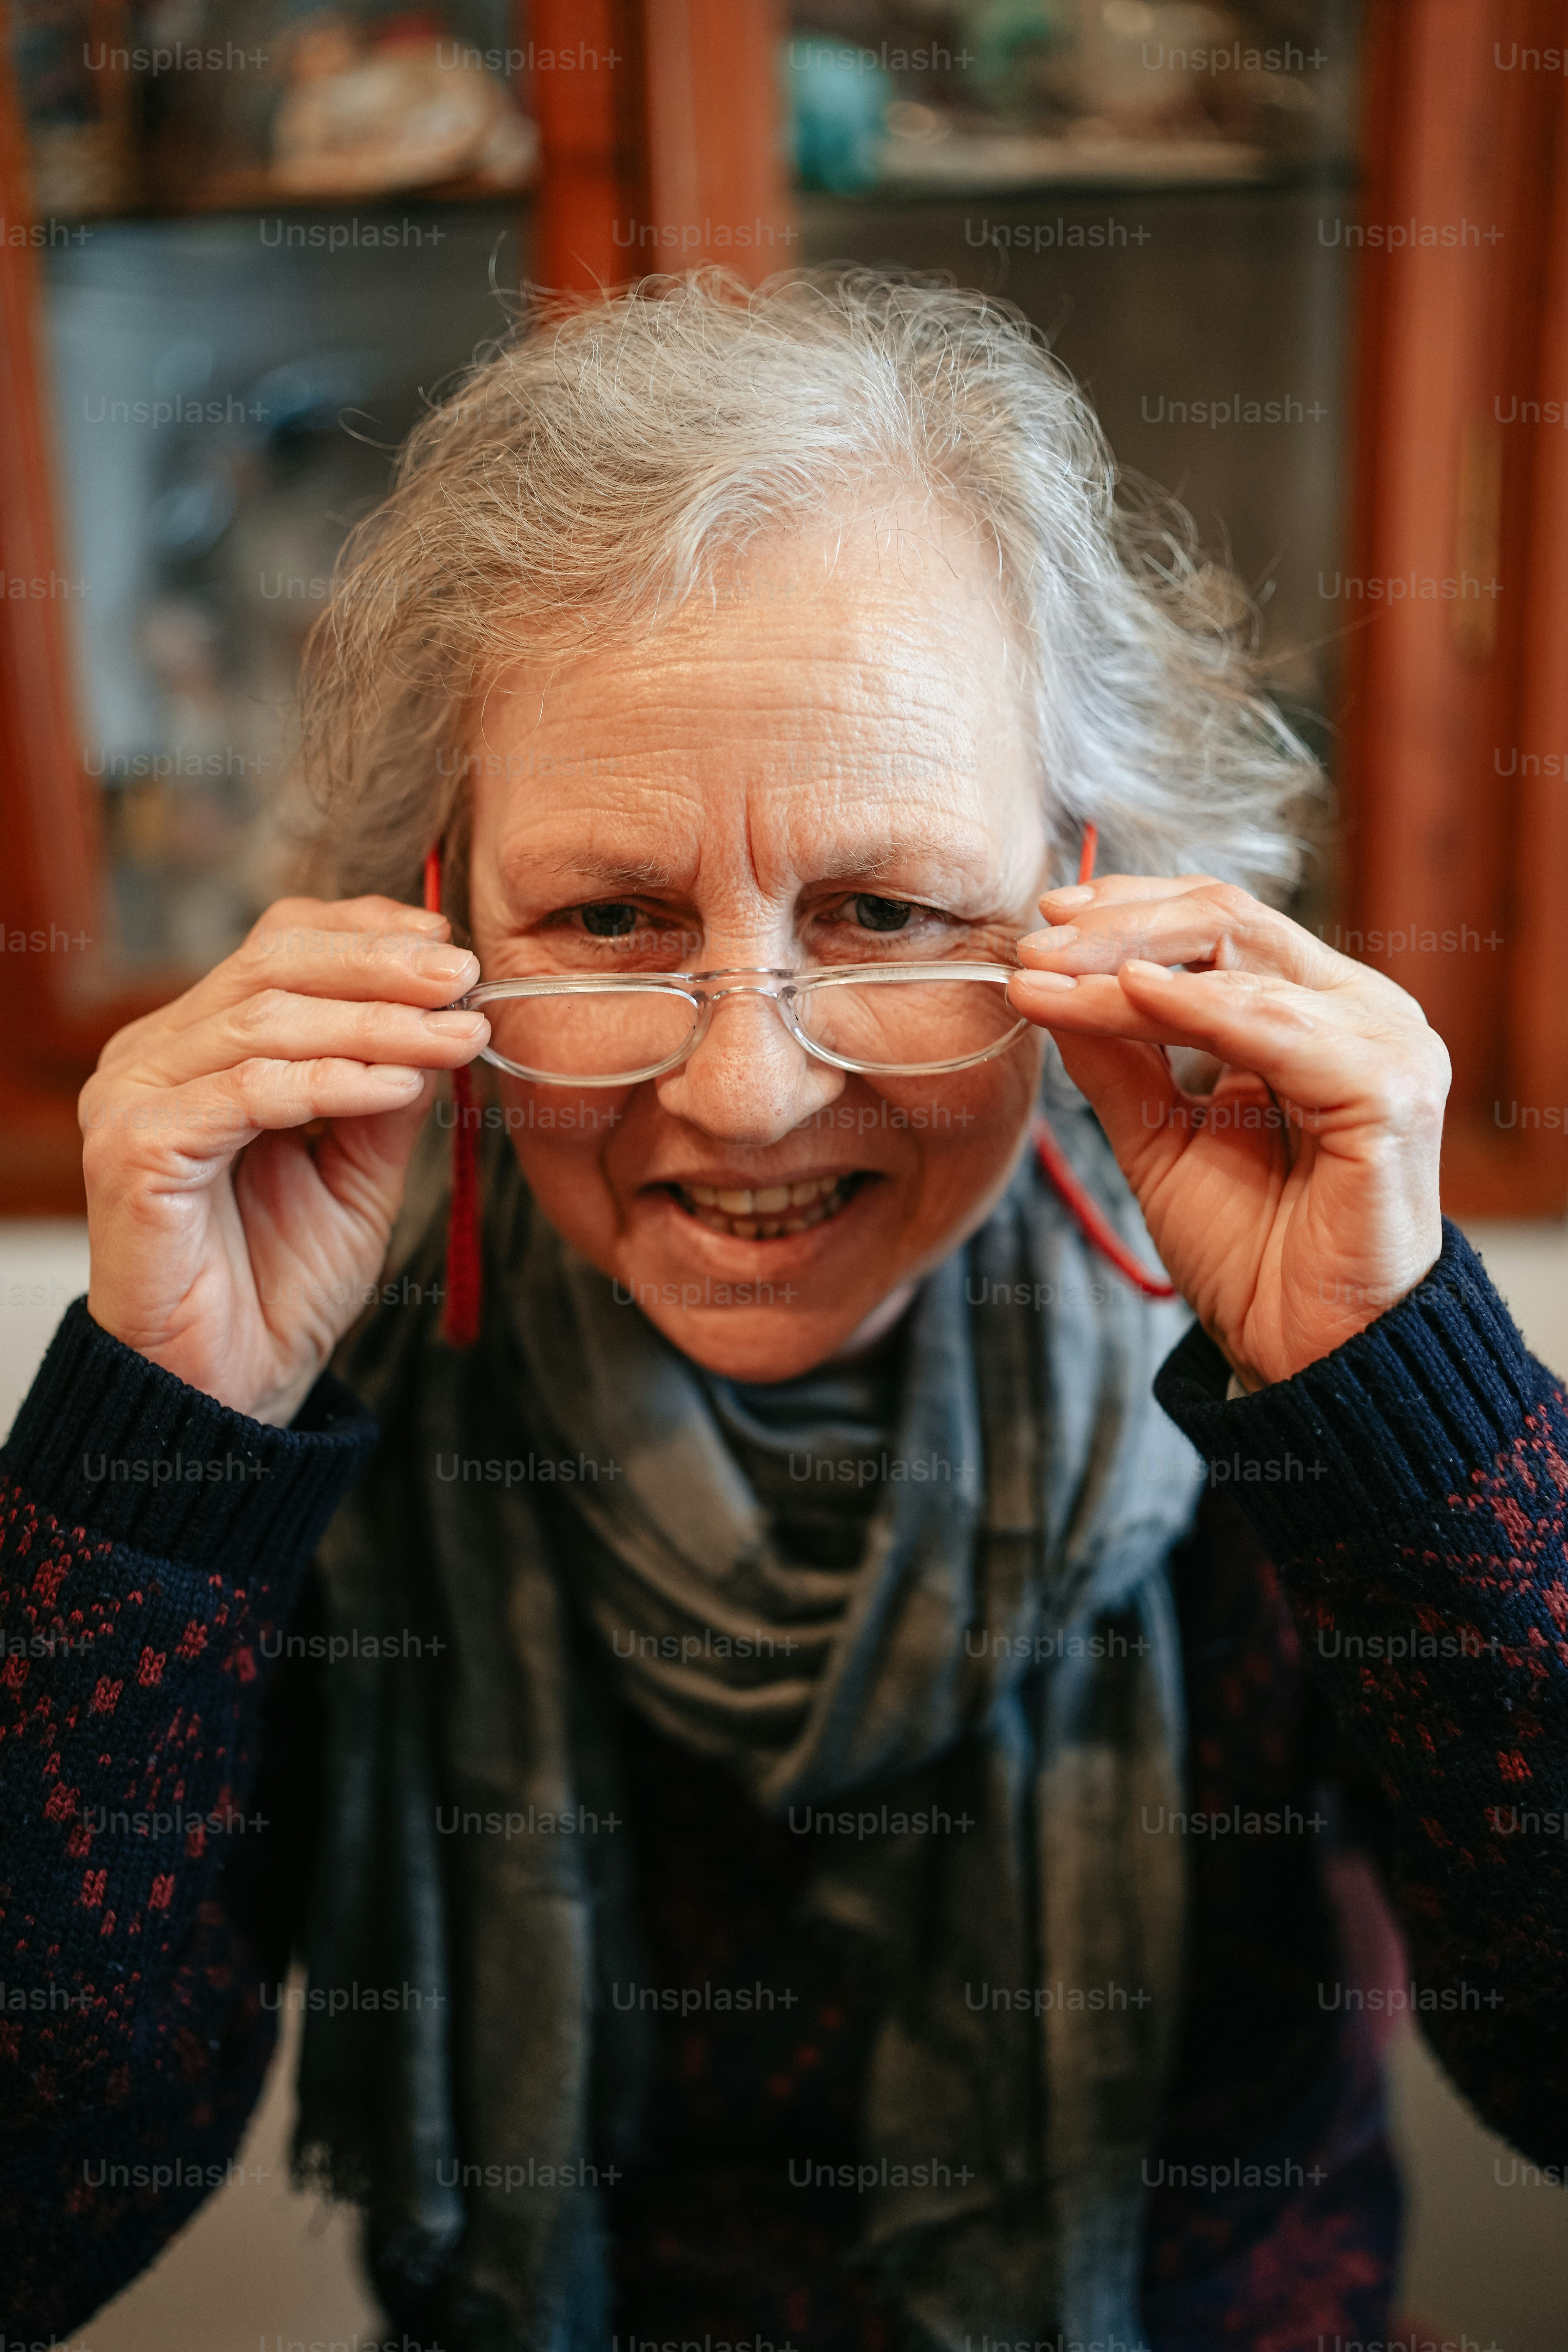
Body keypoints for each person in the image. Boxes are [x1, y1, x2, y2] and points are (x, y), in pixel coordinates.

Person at [4, 272, 1563, 2352]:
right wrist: (165, 1444)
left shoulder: (1277, 1354)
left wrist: (1402, 1399)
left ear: (1086, 889)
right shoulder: (329, 1374)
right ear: (442, 908)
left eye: (889, 908)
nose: (745, 1089)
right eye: (611, 914)